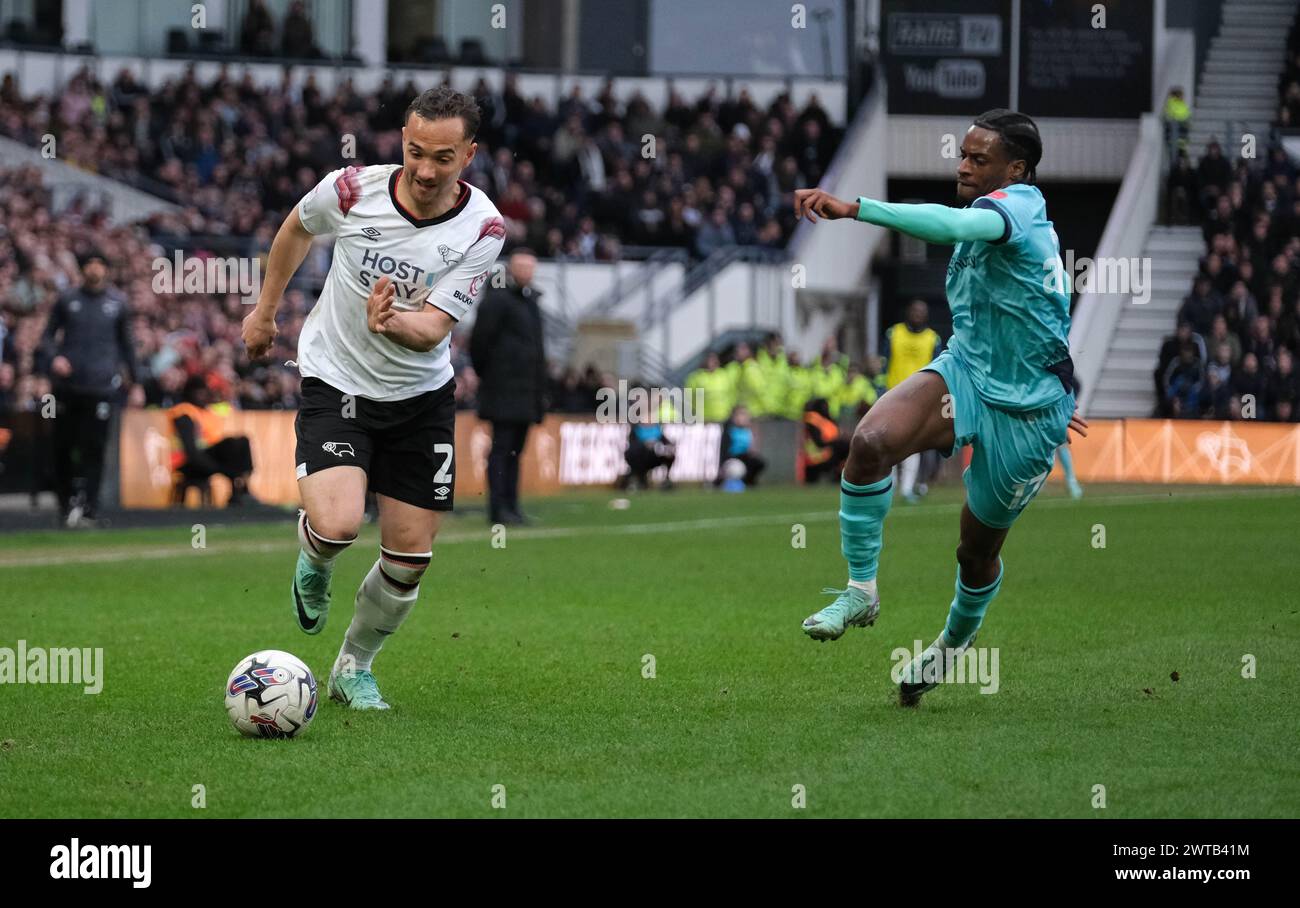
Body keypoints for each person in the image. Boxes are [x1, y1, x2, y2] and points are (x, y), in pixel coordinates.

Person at [792, 109, 1087, 707]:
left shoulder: (1016, 209)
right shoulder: (990, 215)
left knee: (974, 552)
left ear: (1016, 169)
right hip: (969, 373)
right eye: (963, 155)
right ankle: (860, 590)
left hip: (1026, 415)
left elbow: (950, 225)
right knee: (870, 443)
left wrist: (856, 209)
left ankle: (952, 644)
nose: (963, 166)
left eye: (979, 158)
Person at [240, 86, 505, 711]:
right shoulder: (350, 190)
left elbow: (434, 329)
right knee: (337, 526)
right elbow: (296, 228)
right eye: (415, 152)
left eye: (442, 157)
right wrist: (266, 310)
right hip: (337, 381)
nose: (425, 170)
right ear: (403, 142)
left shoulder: (483, 227)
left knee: (409, 559)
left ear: (469, 154)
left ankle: (352, 666)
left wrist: (392, 323)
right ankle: (315, 557)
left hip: (420, 399)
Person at [37, 250, 143, 528]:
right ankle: (65, 505)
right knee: (62, 446)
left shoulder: (117, 303)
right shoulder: (67, 299)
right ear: (82, 269)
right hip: (67, 386)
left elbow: (128, 345)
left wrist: (136, 383)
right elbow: (47, 337)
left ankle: (90, 508)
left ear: (106, 269)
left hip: (102, 388)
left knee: (95, 450)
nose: (94, 269)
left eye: (99, 264)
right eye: (90, 264)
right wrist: (54, 358)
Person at [470, 248, 546, 525]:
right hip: (503, 391)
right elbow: (480, 342)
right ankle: (498, 508)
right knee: (502, 450)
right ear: (511, 268)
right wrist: (491, 375)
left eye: (531, 267)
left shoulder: (530, 302)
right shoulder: (498, 300)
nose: (528, 272)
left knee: (515, 452)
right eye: (523, 266)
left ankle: (512, 506)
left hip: (526, 392)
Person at [881, 299, 943, 503]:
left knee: (912, 445)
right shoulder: (893, 333)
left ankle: (907, 489)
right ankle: (889, 485)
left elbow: (937, 368)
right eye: (914, 310)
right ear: (908, 312)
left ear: (926, 315)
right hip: (893, 396)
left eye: (921, 311)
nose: (917, 314)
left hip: (919, 399)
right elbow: (883, 364)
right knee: (889, 442)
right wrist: (880, 390)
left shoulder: (933, 339)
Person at [169, 376, 256, 506]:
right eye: (200, 393)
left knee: (240, 441)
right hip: (186, 462)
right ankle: (239, 488)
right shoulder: (184, 413)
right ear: (190, 393)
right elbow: (191, 451)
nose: (204, 396)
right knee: (231, 450)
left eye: (205, 392)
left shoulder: (205, 412)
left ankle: (243, 488)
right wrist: (222, 469)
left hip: (204, 456)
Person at [801, 397, 848, 483]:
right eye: (823, 406)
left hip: (829, 451)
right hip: (817, 455)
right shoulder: (812, 419)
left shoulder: (827, 420)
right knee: (843, 445)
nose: (826, 408)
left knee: (845, 445)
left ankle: (841, 473)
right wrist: (836, 442)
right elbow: (819, 442)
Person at [716, 404, 765, 487]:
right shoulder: (729, 430)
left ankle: (749, 482)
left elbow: (751, 448)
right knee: (734, 469)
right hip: (732, 457)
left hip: (745, 457)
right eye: (739, 414)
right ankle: (720, 483)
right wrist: (722, 465)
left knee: (758, 463)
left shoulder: (748, 431)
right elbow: (723, 450)